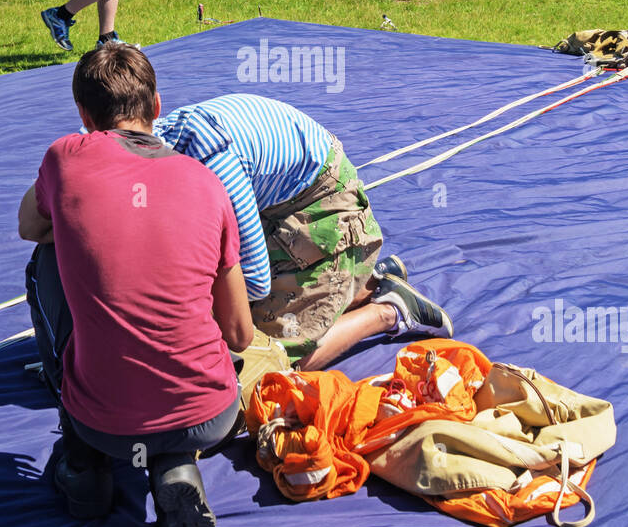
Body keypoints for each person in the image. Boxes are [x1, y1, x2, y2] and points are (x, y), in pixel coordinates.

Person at [19, 44, 253, 527]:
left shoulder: (65, 157)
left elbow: (27, 226)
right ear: (157, 107)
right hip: (210, 414)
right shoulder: (208, 183)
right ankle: (174, 462)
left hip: (102, 422)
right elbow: (239, 333)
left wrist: (78, 223)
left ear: (83, 115)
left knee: (44, 261)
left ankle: (83, 465)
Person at [154, 93, 453, 372]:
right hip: (285, 199)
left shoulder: (212, 165)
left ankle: (389, 309)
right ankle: (359, 280)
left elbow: (256, 283)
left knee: (267, 362)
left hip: (324, 207)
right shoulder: (157, 133)